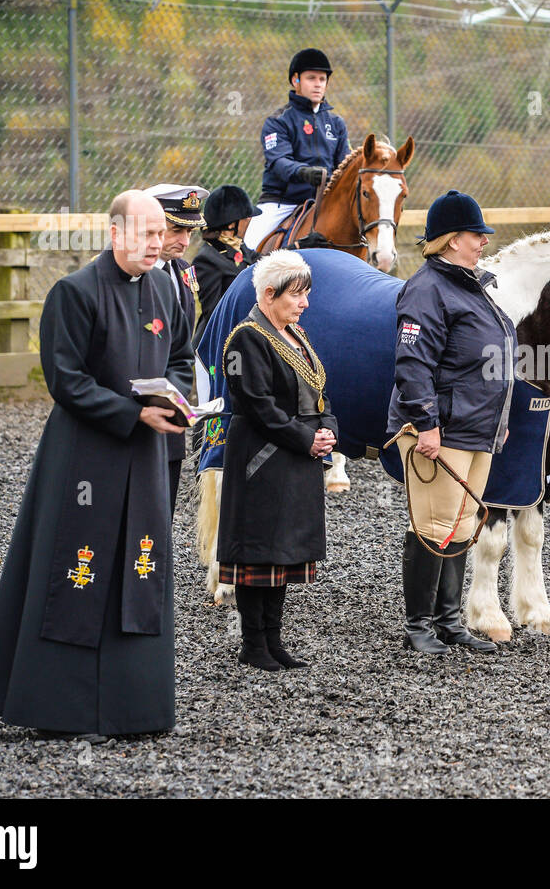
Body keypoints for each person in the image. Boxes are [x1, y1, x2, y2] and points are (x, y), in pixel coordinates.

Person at [0, 191, 192, 739]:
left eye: (161, 234)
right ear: (114, 233)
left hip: (146, 453)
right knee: (78, 571)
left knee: (139, 568)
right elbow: (65, 382)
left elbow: (183, 358)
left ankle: (136, 708)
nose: (158, 244)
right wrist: (133, 415)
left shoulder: (167, 287)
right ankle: (64, 711)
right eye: (146, 234)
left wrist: (174, 400)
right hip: (86, 458)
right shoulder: (74, 292)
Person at [388, 190, 516, 655]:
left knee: (462, 525)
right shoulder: (426, 289)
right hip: (440, 427)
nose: (483, 241)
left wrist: (497, 419)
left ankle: (448, 620)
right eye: (475, 235)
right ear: (450, 240)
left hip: (475, 427)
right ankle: (418, 624)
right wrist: (425, 422)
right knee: (434, 522)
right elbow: (412, 362)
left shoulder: (472, 285)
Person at [216, 250, 338, 670]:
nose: (305, 303)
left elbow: (320, 390)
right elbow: (256, 405)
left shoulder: (296, 334)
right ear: (269, 293)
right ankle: (253, 645)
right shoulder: (247, 337)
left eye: (306, 294)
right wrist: (307, 438)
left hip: (296, 455)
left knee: (282, 551)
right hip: (262, 458)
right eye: (297, 295)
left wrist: (328, 428)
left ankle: (274, 640)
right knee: (259, 551)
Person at [243, 48, 349, 252]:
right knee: (248, 248)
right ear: (295, 81)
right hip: (283, 203)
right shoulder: (278, 121)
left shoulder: (336, 123)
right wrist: (305, 172)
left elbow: (343, 163)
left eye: (322, 79)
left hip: (324, 203)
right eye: (311, 78)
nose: (318, 84)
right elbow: (279, 162)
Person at [144, 183, 208, 518]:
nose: (185, 241)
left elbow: (182, 345)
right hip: (132, 410)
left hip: (172, 405)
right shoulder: (128, 274)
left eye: (190, 232)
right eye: (176, 229)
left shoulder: (183, 271)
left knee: (162, 510)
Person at [192, 185, 262, 346]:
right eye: (246, 217)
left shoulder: (238, 246)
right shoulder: (206, 260)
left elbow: (262, 259)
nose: (249, 220)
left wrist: (299, 246)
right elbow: (214, 313)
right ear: (231, 224)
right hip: (219, 343)